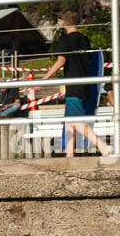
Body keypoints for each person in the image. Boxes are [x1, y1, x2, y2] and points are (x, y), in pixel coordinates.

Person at [42, 10, 112, 159]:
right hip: (84, 83)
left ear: (63, 23)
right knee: (69, 121)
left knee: (76, 121)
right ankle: (69, 153)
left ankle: (102, 145)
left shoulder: (65, 40)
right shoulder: (84, 39)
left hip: (73, 84)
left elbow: (61, 61)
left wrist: (45, 78)